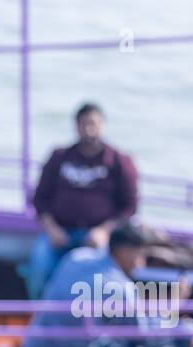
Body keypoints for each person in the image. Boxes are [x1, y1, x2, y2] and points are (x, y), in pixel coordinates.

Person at [20, 221, 189, 347]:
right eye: (141, 255)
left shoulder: (76, 256)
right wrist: (174, 304)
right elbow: (144, 335)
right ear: (124, 251)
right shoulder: (120, 288)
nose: (141, 264)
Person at [27, 102, 138, 298]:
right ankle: (44, 312)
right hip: (60, 233)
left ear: (103, 125)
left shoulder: (118, 161)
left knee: (101, 278)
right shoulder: (59, 157)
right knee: (40, 265)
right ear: (76, 127)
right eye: (84, 124)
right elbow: (39, 200)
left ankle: (89, 320)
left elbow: (129, 207)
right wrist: (52, 229)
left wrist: (104, 231)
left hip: (97, 235)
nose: (89, 129)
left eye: (94, 124)